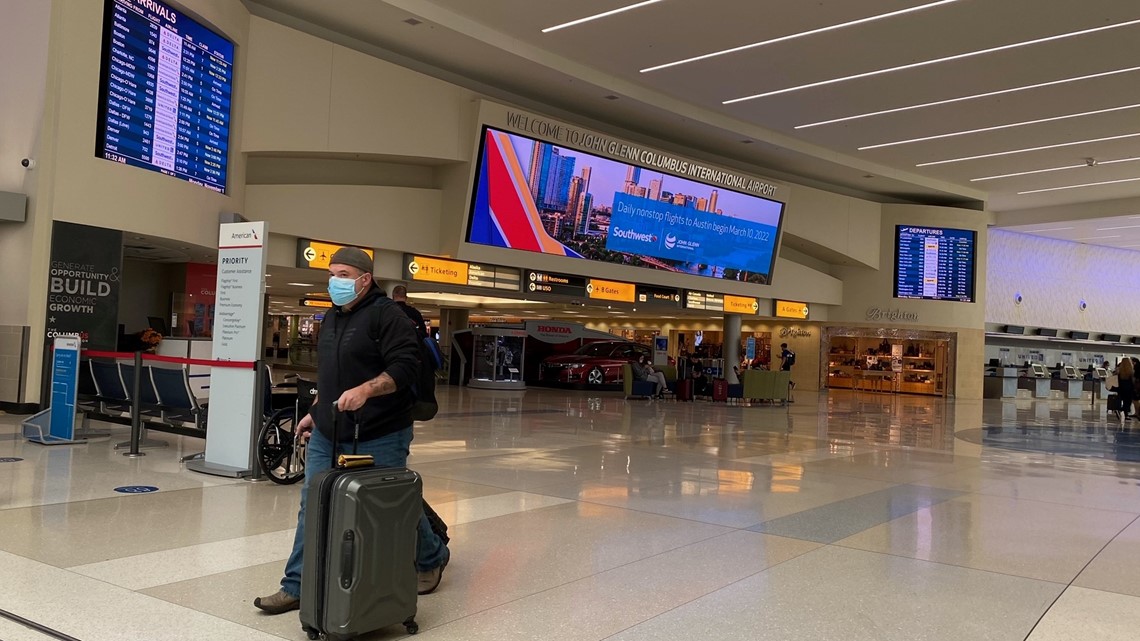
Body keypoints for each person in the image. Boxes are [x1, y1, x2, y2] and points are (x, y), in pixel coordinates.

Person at [255, 247, 449, 615]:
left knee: (395, 504)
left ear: (365, 278)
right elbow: (331, 375)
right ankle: (296, 585)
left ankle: (431, 556)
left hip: (381, 431)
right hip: (330, 429)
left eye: (343, 274)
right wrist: (315, 411)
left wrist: (366, 390)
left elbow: (405, 366)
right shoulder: (331, 318)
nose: (335, 281)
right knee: (311, 504)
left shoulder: (387, 316)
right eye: (332, 273)